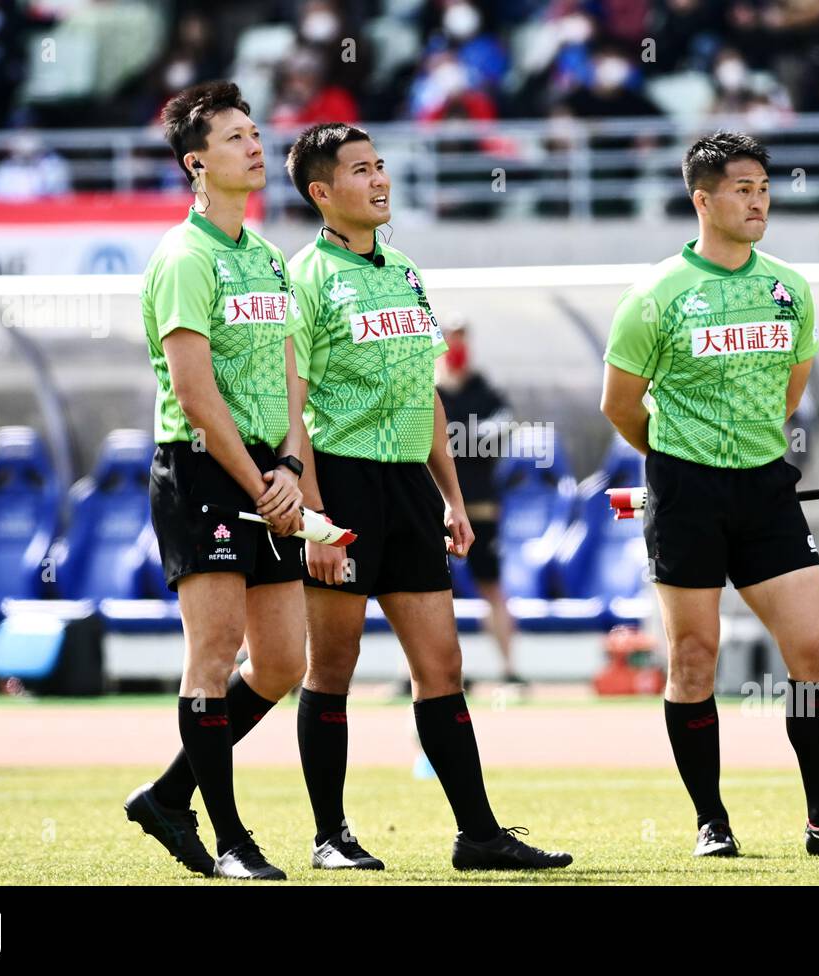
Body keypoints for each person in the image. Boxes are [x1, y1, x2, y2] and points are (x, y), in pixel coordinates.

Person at [600, 130, 819, 859]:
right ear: (702, 200)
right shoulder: (657, 294)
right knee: (695, 656)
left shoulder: (789, 287)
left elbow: (790, 391)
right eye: (742, 188)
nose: (758, 200)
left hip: (767, 489)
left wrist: (740, 454)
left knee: (814, 651)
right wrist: (680, 465)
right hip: (684, 491)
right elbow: (620, 404)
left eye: (764, 188)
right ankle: (712, 822)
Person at [284, 122, 572, 871]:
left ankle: (479, 837)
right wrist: (313, 516)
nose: (380, 179)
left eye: (381, 166)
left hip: (411, 488)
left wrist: (447, 494)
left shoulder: (407, 271)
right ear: (322, 192)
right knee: (332, 668)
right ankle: (330, 836)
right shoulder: (306, 277)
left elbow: (429, 396)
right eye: (360, 170)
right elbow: (294, 403)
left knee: (441, 666)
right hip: (340, 485)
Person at [124, 81, 309, 881]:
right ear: (197, 163)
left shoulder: (267, 257)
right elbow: (196, 396)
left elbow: (292, 374)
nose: (255, 146)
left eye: (255, 132)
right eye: (235, 138)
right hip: (201, 469)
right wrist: (257, 481)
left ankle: (167, 794)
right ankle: (232, 841)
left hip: (270, 470)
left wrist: (293, 469)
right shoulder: (184, 256)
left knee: (282, 665)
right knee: (214, 654)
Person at [435, 322, 524, 688]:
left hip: (480, 506)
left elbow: (505, 423)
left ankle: (509, 670)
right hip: (437, 506)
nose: (457, 347)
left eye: (461, 339)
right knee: (423, 590)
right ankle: (425, 672)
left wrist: (474, 434)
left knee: (492, 585)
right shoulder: (431, 390)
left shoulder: (485, 392)